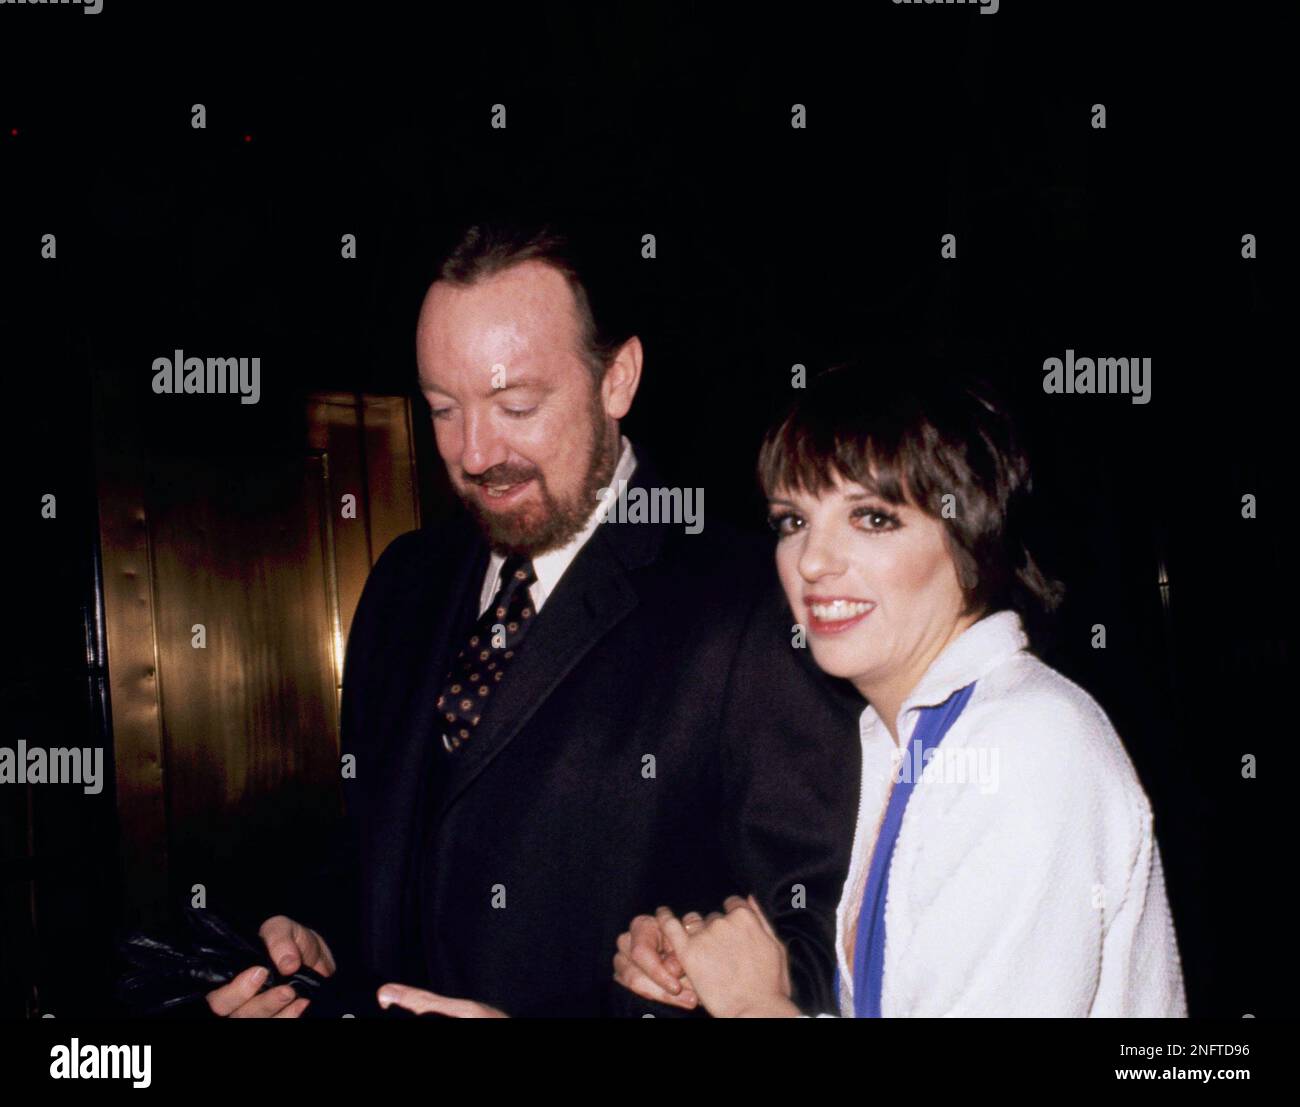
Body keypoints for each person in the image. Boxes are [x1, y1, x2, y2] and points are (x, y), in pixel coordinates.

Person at [206, 217, 861, 1019]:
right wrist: (315, 936)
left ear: (617, 380)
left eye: (514, 405)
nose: (475, 453)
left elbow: (819, 946)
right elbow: (387, 850)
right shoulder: (403, 585)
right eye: (443, 409)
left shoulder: (750, 603)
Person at [617, 364, 1188, 1017]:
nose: (812, 562)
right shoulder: (906, 740)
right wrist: (711, 971)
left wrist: (755, 1006)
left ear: (971, 532)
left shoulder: (1025, 746)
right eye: (792, 521)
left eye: (872, 518)